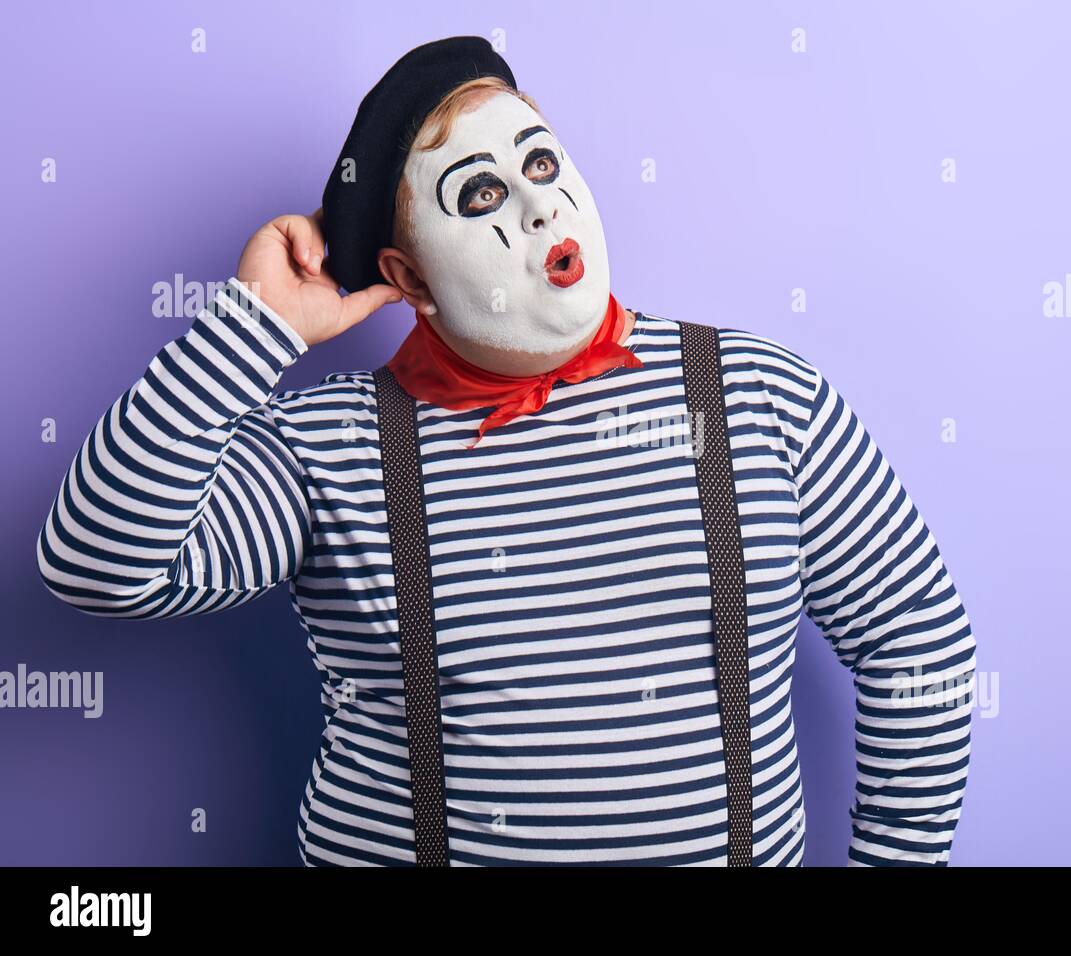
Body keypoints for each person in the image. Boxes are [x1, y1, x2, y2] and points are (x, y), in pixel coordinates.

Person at [36, 37, 976, 866]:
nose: (537, 205)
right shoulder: (322, 446)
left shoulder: (761, 395)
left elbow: (921, 646)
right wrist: (253, 328)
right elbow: (97, 567)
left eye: (540, 161)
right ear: (406, 276)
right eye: (481, 191)